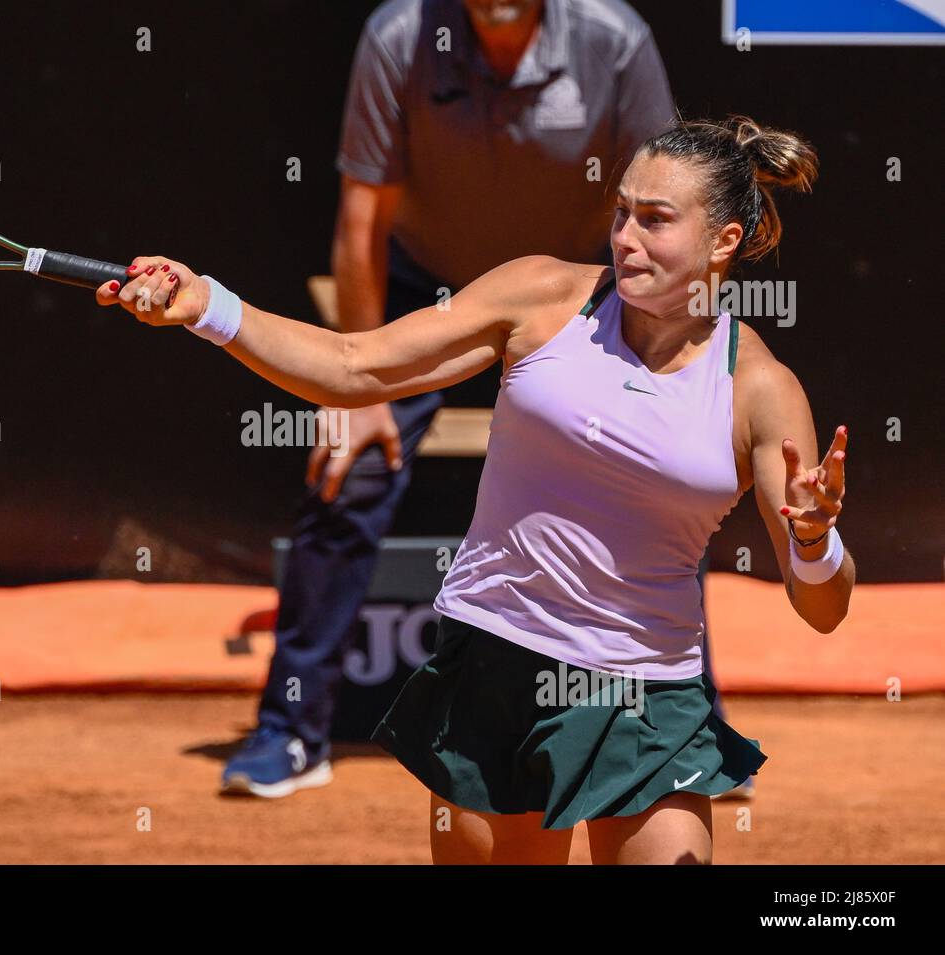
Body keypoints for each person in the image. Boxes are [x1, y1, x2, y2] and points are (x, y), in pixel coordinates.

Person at [95, 115, 854, 864]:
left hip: (649, 696)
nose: (625, 238)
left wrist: (815, 540)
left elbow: (823, 607)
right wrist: (209, 308)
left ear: (723, 241)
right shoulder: (541, 297)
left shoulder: (759, 389)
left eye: (655, 220)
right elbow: (355, 366)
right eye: (622, 211)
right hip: (498, 664)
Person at [218, 0, 680, 798]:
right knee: (349, 465)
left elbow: (667, 210)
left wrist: (648, 360)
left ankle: (666, 731)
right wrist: (356, 397)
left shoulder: (616, 40)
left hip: (573, 292)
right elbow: (363, 218)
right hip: (426, 291)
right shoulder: (399, 38)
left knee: (655, 476)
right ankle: (290, 730)